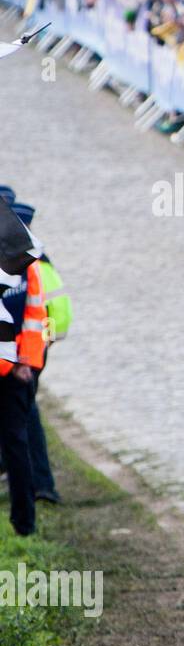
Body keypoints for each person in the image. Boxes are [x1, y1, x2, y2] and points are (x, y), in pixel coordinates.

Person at [0, 205, 48, 537]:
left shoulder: (25, 266)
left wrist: (25, 361)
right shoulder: (26, 263)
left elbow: (32, 314)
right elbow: (34, 314)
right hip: (16, 369)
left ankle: (25, 524)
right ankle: (25, 525)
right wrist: (25, 362)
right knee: (17, 445)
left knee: (17, 447)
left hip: (13, 367)